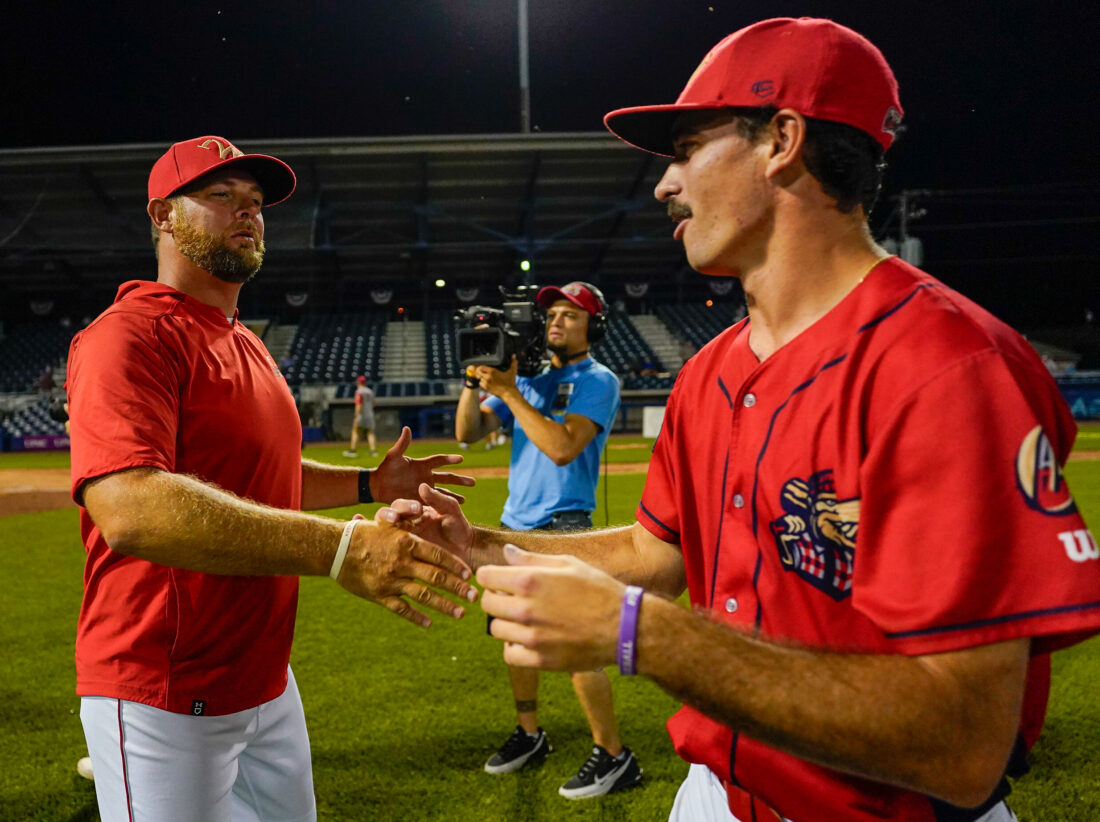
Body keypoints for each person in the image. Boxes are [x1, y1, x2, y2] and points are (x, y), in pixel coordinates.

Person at [380, 18, 1100, 822]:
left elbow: (963, 746)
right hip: (715, 793)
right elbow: (653, 556)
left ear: (782, 141)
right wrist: (479, 545)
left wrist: (643, 636)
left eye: (688, 148)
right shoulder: (709, 372)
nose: (665, 184)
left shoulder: (949, 367)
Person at [65, 135, 479, 822]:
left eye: (255, 203)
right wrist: (341, 548)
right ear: (163, 216)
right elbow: (130, 509)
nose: (247, 213)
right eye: (220, 195)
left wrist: (370, 485)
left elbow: (263, 477)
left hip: (262, 675)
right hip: (163, 682)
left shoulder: (242, 338)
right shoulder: (129, 336)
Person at [455, 281, 640, 799]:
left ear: (594, 327)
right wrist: (473, 378)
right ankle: (530, 734)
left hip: (565, 527)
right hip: (516, 525)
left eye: (571, 315)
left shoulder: (597, 380)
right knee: (515, 640)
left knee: (579, 649)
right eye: (552, 314)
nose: (557, 321)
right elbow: (467, 433)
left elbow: (562, 448)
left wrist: (510, 392)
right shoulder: (531, 379)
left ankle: (614, 756)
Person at [344, 374, 378, 457]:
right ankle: (373, 451)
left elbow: (358, 404)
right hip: (370, 414)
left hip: (361, 415)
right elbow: (373, 403)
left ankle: (353, 451)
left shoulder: (359, 392)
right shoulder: (370, 391)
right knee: (370, 432)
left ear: (358, 382)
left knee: (355, 431)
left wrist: (356, 416)